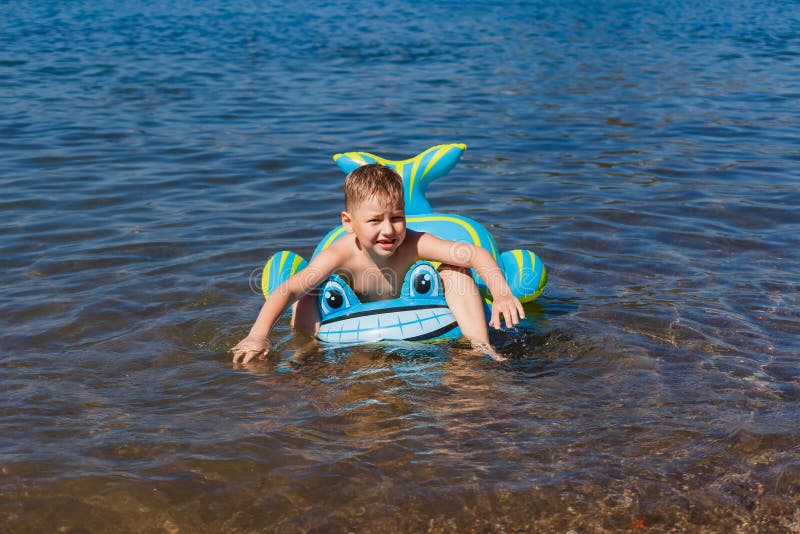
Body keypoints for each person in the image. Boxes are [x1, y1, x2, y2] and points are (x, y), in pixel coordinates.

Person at [231, 164, 524, 363]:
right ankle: (307, 356)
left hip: (410, 307)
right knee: (310, 290)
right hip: (351, 313)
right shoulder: (341, 253)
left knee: (455, 269)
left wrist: (501, 293)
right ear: (349, 222)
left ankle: (480, 347)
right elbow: (288, 289)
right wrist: (257, 336)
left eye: (396, 218)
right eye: (374, 221)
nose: (388, 230)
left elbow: (473, 254)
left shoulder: (414, 242)